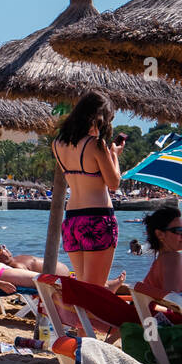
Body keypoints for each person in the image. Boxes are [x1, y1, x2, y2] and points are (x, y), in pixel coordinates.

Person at [51, 91, 123, 287]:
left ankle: (78, 319)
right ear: (99, 118)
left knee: (83, 284)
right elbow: (114, 183)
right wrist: (114, 155)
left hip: (72, 219)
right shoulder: (96, 145)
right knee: (94, 290)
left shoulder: (57, 144)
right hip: (97, 218)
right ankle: (89, 316)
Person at [133, 206, 182, 301]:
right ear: (160, 234)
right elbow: (173, 304)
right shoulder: (173, 259)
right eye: (179, 231)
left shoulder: (162, 260)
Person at [0, 242, 72, 277]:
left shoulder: (15, 259)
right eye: (1, 249)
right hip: (60, 281)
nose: (6, 248)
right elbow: (31, 280)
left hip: (65, 275)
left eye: (3, 246)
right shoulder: (16, 267)